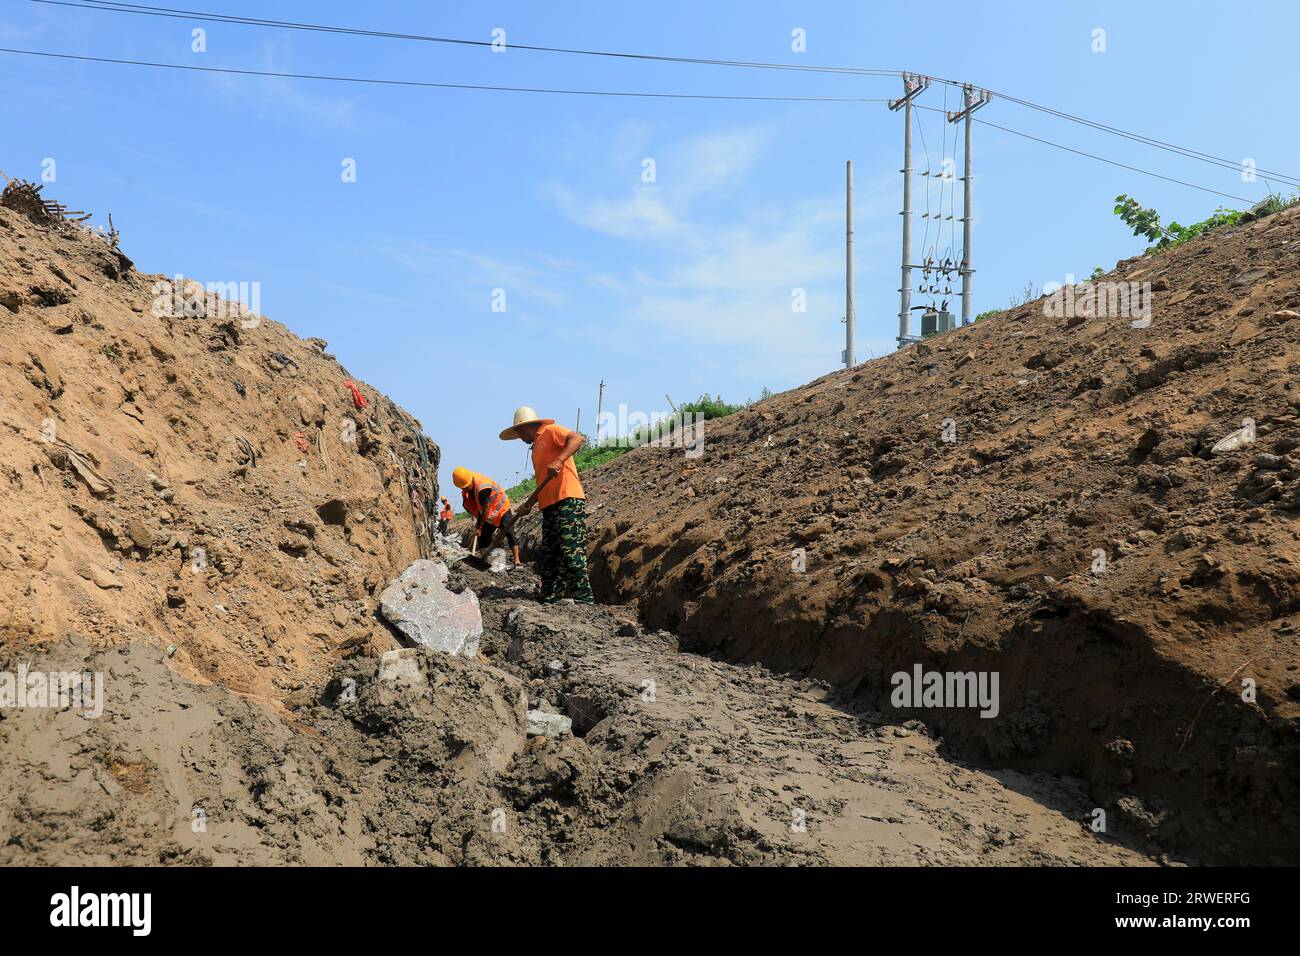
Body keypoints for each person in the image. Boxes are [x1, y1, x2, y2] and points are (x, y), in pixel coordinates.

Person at [499, 406, 593, 604]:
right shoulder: (535, 449)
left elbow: (577, 438)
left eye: (519, 432)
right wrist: (529, 504)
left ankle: (584, 599)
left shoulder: (550, 431)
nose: (519, 437)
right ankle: (551, 595)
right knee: (550, 554)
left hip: (568, 499)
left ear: (526, 427)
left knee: (571, 550)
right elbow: (543, 480)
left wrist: (560, 460)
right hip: (549, 505)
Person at [451, 466, 521, 567]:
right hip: (487, 515)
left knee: (509, 532)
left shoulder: (482, 487)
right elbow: (477, 507)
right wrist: (479, 525)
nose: (466, 489)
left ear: (470, 479)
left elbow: (485, 509)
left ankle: (517, 561)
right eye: (463, 488)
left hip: (501, 509)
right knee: (483, 537)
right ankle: (485, 561)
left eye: (466, 486)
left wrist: (479, 527)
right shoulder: (467, 488)